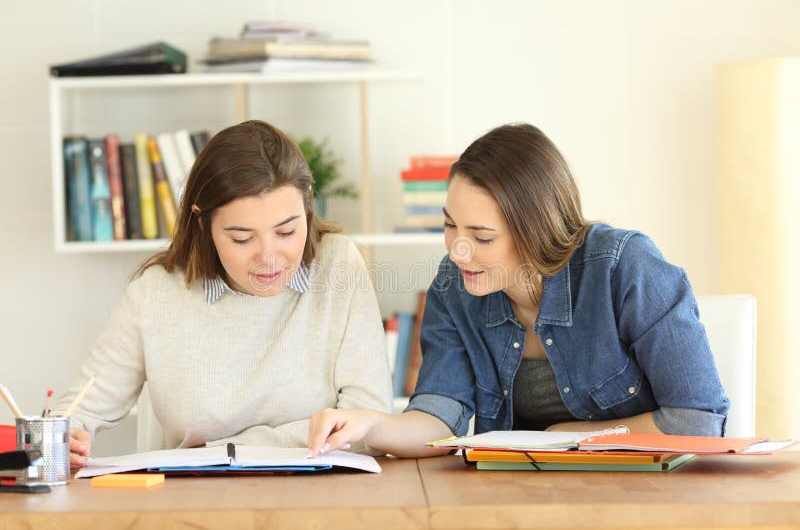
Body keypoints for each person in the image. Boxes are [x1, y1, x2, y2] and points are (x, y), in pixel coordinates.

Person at [308, 122, 729, 458]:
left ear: (536, 232)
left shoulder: (625, 268)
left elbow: (699, 419)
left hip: (644, 497)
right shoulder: (453, 287)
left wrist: (572, 436)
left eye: (483, 237)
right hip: (518, 499)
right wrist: (371, 425)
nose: (458, 250)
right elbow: (439, 418)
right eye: (449, 224)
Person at [55, 120, 392, 469]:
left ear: (308, 211)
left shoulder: (338, 264)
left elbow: (367, 421)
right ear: (203, 224)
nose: (269, 257)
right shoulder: (156, 293)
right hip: (196, 505)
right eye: (242, 238)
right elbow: (79, 407)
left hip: (322, 500)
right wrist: (69, 433)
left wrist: (215, 451)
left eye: (286, 231)